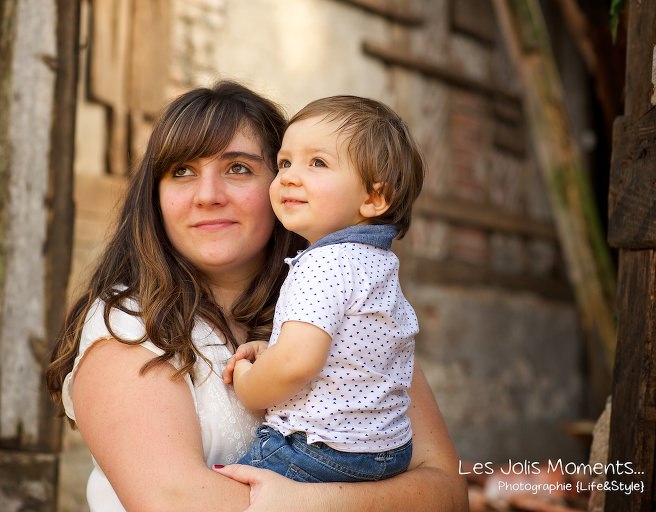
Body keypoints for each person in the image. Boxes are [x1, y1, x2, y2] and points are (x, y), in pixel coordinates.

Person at [45, 81, 467, 511]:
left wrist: (312, 503)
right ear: (155, 197)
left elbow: (448, 495)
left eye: (238, 168)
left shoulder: (343, 300)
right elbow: (175, 503)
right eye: (182, 172)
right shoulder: (128, 328)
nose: (208, 196)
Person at [223, 95, 422, 484]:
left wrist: (247, 385)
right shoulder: (377, 262)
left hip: (317, 449)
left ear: (374, 198)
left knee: (219, 497)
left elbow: (297, 364)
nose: (289, 177)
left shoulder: (323, 262)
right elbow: (348, 353)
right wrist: (275, 348)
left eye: (317, 163)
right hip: (386, 451)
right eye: (285, 163)